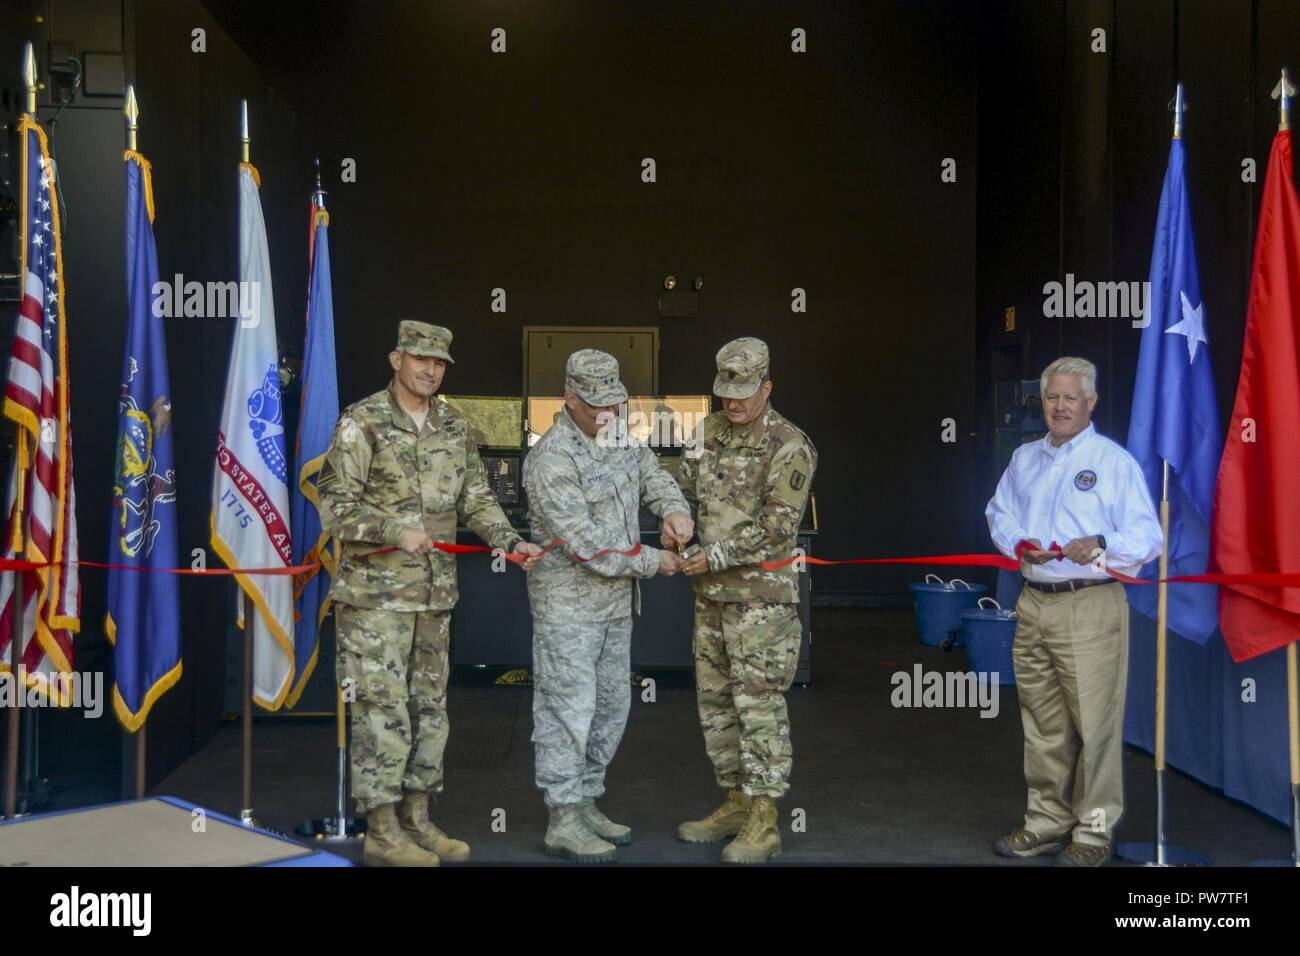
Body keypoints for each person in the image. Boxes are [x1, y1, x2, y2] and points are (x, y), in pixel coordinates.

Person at [318, 320, 543, 867]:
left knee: (430, 709)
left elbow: (478, 498)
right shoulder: (363, 421)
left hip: (435, 597)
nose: (430, 370)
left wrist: (510, 541)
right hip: (376, 601)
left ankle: (419, 817)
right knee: (381, 709)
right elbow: (334, 506)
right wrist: (396, 531)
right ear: (396, 358)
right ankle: (381, 828)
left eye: (439, 363)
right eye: (420, 359)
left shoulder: (453, 425)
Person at [985, 356, 1161, 867]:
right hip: (1034, 600)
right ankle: (1045, 823)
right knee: (1042, 724)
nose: (1059, 407)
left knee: (1095, 727)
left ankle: (1094, 834)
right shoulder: (1025, 458)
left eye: (1070, 398)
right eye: (1051, 398)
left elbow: (1149, 537)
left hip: (1090, 603)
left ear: (1091, 402)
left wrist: (1102, 542)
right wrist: (1020, 542)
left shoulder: (1113, 462)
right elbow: (999, 511)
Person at [523, 348, 693, 862]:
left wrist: (675, 510)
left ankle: (587, 801)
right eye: (595, 404)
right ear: (569, 397)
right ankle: (562, 816)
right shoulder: (551, 457)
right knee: (566, 711)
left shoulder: (619, 437)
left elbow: (653, 475)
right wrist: (652, 561)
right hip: (569, 611)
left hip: (617, 606)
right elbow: (586, 543)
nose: (607, 414)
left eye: (614, 403)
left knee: (610, 708)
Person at [673, 337, 817, 864]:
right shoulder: (708, 432)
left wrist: (711, 554)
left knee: (758, 708)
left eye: (743, 392)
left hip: (760, 604)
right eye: (724, 392)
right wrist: (673, 520)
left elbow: (777, 530)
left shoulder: (790, 445)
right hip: (709, 599)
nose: (732, 403)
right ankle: (735, 799)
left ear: (767, 387)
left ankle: (765, 817)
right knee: (715, 706)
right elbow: (680, 484)